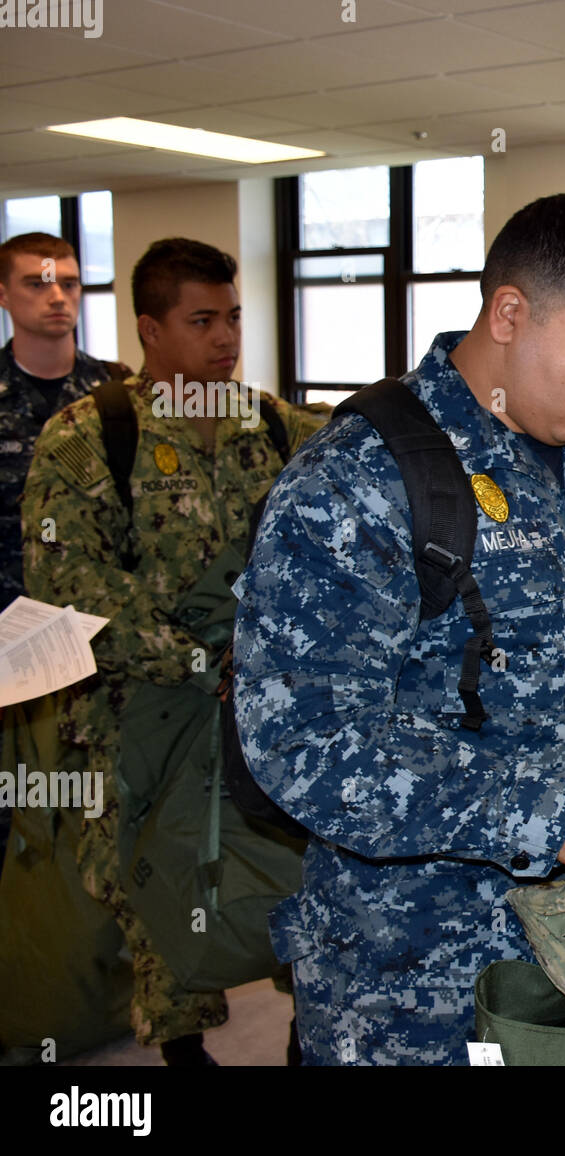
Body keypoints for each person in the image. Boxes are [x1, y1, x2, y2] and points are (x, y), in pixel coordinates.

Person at [233, 192, 565, 1066]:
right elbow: (302, 742)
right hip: (418, 983)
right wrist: (553, 813)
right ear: (510, 312)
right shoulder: (358, 481)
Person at [22, 237, 325, 1064]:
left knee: (295, 874)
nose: (226, 337)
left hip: (258, 711)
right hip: (143, 718)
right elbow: (72, 586)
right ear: (152, 330)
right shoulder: (89, 438)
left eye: (233, 316)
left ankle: (310, 1033)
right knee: (164, 891)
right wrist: (198, 661)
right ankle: (184, 1055)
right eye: (203, 320)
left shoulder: (269, 424)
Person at [0, 232, 126, 874]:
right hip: (8, 642)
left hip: (98, 642)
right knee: (15, 807)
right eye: (37, 282)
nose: (57, 297)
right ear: (3, 293)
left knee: (102, 809)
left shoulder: (118, 395)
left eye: (70, 283)